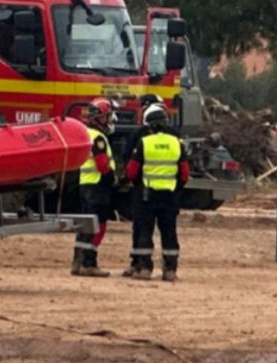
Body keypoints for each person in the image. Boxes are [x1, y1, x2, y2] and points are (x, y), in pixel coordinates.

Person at [124, 103, 189, 282]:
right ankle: (170, 270)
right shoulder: (176, 143)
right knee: (169, 232)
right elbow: (184, 173)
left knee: (144, 230)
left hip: (146, 195)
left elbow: (131, 171)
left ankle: (144, 268)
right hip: (169, 196)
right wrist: (176, 188)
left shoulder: (144, 142)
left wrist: (135, 184)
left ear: (149, 125)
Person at [69, 98, 116, 277]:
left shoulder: (85, 133)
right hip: (98, 186)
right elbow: (102, 164)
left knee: (85, 225)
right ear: (100, 118)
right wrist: (112, 178)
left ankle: (77, 262)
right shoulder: (99, 138)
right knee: (98, 226)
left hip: (84, 184)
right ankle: (89, 263)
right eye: (107, 117)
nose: (109, 121)